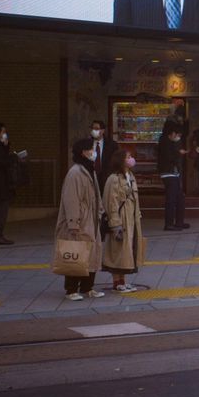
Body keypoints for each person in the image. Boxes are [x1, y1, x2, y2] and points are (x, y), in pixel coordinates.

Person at [56, 138, 105, 301]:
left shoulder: (90, 170)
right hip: (81, 220)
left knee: (91, 254)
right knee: (76, 253)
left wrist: (100, 212)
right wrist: (73, 223)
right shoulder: (75, 173)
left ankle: (87, 287)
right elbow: (71, 200)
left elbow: (96, 195)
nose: (94, 152)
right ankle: (71, 289)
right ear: (84, 152)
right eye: (91, 149)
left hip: (91, 219)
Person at [102, 150, 145, 293]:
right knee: (118, 251)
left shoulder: (130, 176)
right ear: (121, 160)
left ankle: (123, 281)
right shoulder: (114, 179)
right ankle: (117, 282)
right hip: (121, 219)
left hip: (131, 219)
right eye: (128, 157)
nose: (131, 159)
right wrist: (115, 223)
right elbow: (111, 202)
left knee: (127, 251)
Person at [158, 125, 188, 230]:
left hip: (175, 173)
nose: (178, 137)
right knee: (171, 199)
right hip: (168, 173)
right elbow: (170, 157)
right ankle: (169, 224)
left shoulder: (172, 142)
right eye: (177, 135)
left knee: (180, 198)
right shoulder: (165, 143)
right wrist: (179, 153)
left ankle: (179, 222)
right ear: (172, 133)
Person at [90, 119, 119, 191]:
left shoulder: (112, 145)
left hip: (107, 180)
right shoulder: (86, 144)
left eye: (96, 129)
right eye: (92, 128)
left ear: (103, 130)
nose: (94, 131)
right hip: (91, 178)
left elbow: (116, 162)